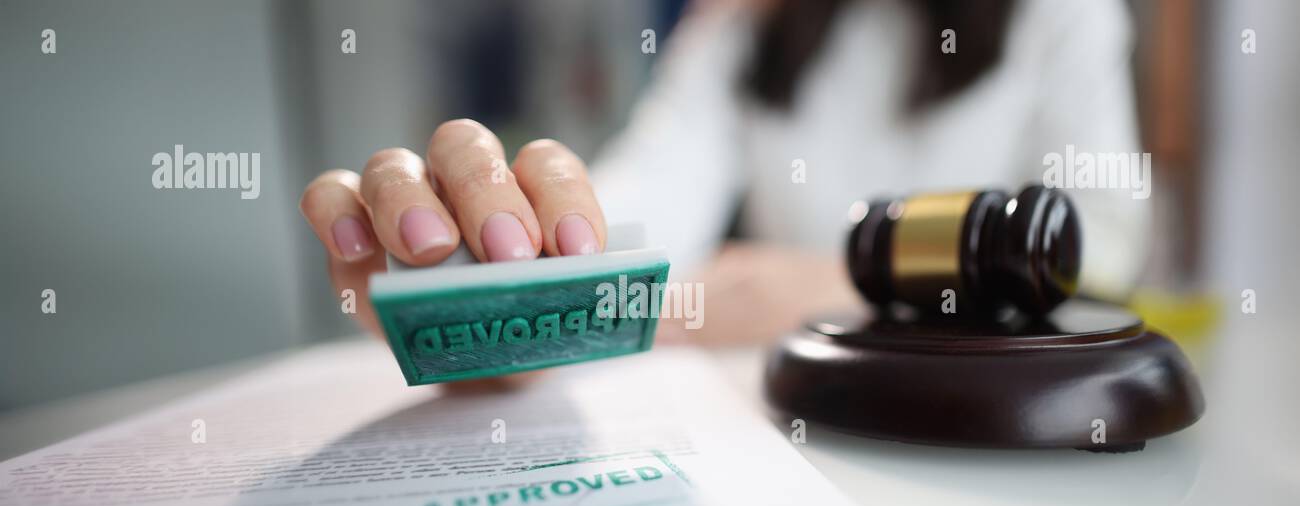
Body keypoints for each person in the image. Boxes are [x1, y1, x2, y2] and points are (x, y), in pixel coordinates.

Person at [299, 0, 1146, 349]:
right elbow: (638, 207)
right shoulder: (745, 24)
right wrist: (514, 277)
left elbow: (1105, 241)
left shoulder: (1067, 15)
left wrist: (840, 284)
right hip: (784, 426)